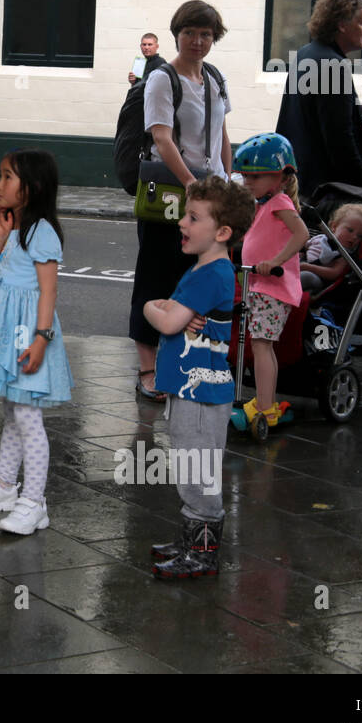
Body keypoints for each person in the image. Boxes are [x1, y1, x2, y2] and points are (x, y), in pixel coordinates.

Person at [0, 151, 73, 535]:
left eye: (7, 178)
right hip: (10, 334)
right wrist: (0, 236)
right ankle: (5, 486)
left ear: (32, 188)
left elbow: (48, 293)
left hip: (27, 335)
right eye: (0, 176)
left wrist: (41, 340)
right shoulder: (16, 230)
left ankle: (34, 503)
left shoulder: (43, 233)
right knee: (12, 411)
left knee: (27, 417)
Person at [145, 176, 255, 579]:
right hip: (195, 388)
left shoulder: (210, 274)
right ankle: (192, 540)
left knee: (197, 470)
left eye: (193, 217)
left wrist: (149, 308)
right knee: (192, 466)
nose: (182, 223)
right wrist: (170, 309)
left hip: (201, 392)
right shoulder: (208, 270)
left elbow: (171, 321)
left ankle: (202, 554)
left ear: (223, 232)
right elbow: (179, 316)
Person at [130, 0, 233, 402]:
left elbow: (222, 131)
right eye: (190, 32)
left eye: (206, 34)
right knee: (156, 274)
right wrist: (191, 182)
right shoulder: (162, 79)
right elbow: (161, 136)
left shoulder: (215, 79)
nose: (198, 41)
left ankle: (184, 361)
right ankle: (148, 368)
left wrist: (229, 177)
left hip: (209, 194)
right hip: (171, 195)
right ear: (177, 34)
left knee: (193, 281)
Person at [233, 133, 309, 433]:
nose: (248, 182)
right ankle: (268, 402)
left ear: (279, 176)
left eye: (255, 176)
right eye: (245, 177)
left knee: (262, 346)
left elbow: (301, 234)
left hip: (272, 287)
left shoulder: (279, 201)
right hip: (260, 286)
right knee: (263, 346)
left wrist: (276, 262)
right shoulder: (264, 204)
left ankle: (265, 407)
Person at [275, 0, 362, 198]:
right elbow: (339, 138)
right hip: (325, 193)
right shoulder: (332, 64)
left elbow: (311, 115)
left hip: (301, 184)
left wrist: (353, 112)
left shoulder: (307, 53)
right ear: (342, 25)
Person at [300, 203, 362, 294]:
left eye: (360, 236)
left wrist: (308, 267)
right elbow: (304, 249)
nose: (355, 237)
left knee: (306, 276)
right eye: (350, 230)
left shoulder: (344, 255)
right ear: (334, 227)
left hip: (316, 278)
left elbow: (334, 273)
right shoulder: (320, 238)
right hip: (301, 266)